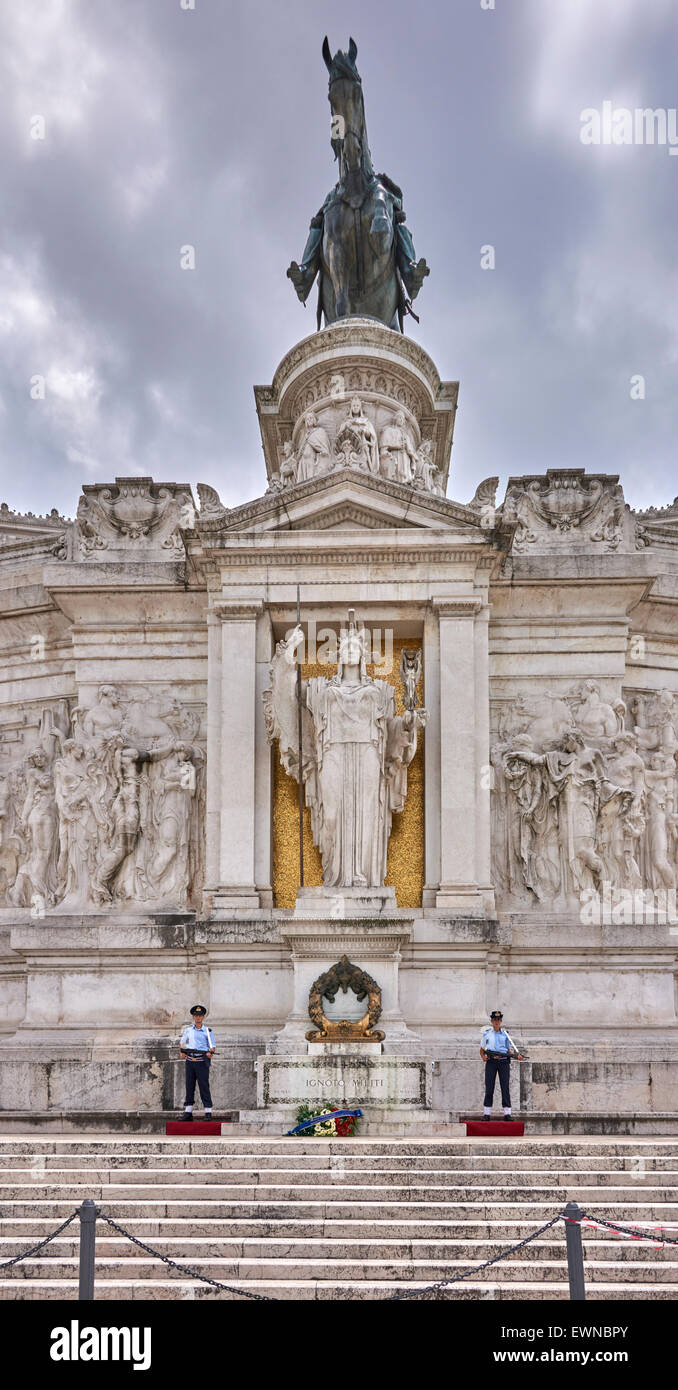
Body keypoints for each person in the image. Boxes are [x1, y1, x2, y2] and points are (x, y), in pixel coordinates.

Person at [479, 1010, 524, 1121]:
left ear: (501, 1021)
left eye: (498, 1020)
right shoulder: (487, 1034)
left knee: (505, 1087)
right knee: (489, 1087)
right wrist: (483, 1057)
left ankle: (507, 1113)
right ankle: (487, 1113)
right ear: (491, 1021)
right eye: (494, 1020)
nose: (496, 1022)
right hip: (491, 1062)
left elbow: (508, 1049)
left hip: (504, 1062)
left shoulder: (505, 1034)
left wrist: (515, 1055)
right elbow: (481, 1049)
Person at [179, 1004, 215, 1121]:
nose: (198, 1018)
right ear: (193, 1017)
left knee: (204, 1086)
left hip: (201, 1061)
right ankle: (188, 1111)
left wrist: (210, 1053)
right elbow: (182, 1043)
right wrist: (182, 1052)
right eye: (196, 1016)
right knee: (189, 1086)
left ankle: (208, 1111)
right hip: (190, 1061)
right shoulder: (188, 1030)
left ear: (203, 1017)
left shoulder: (208, 1031)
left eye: (200, 1016)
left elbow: (212, 1047)